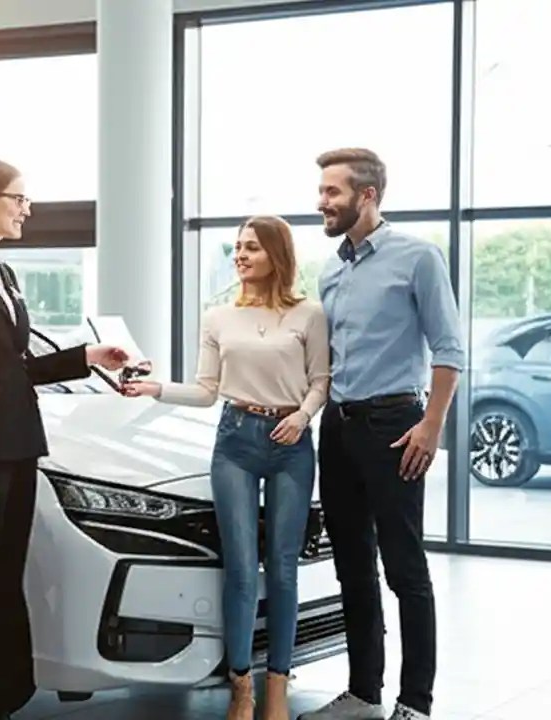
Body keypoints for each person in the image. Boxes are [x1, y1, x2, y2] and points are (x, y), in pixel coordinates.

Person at [0, 158, 130, 720]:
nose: (26, 210)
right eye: (19, 199)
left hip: (19, 445)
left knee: (4, 578)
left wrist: (86, 357)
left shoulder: (1, 272)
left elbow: (13, 368)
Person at [123, 215, 330, 720]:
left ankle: (277, 687)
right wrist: (155, 389)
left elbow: (321, 380)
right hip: (236, 440)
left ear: (276, 255)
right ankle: (241, 686)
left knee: (282, 568)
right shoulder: (218, 317)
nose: (240, 255)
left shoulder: (309, 314)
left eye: (252, 247)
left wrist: (302, 417)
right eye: (238, 247)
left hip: (291, 443)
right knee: (239, 568)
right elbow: (206, 391)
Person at [298, 148, 463, 720]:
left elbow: (449, 350)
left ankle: (415, 702)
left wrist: (431, 426)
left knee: (404, 568)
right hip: (338, 428)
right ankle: (364, 693)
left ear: (367, 195)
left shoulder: (417, 257)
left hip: (395, 427)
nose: (322, 202)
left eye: (332, 192)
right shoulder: (331, 270)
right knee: (351, 567)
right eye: (321, 191)